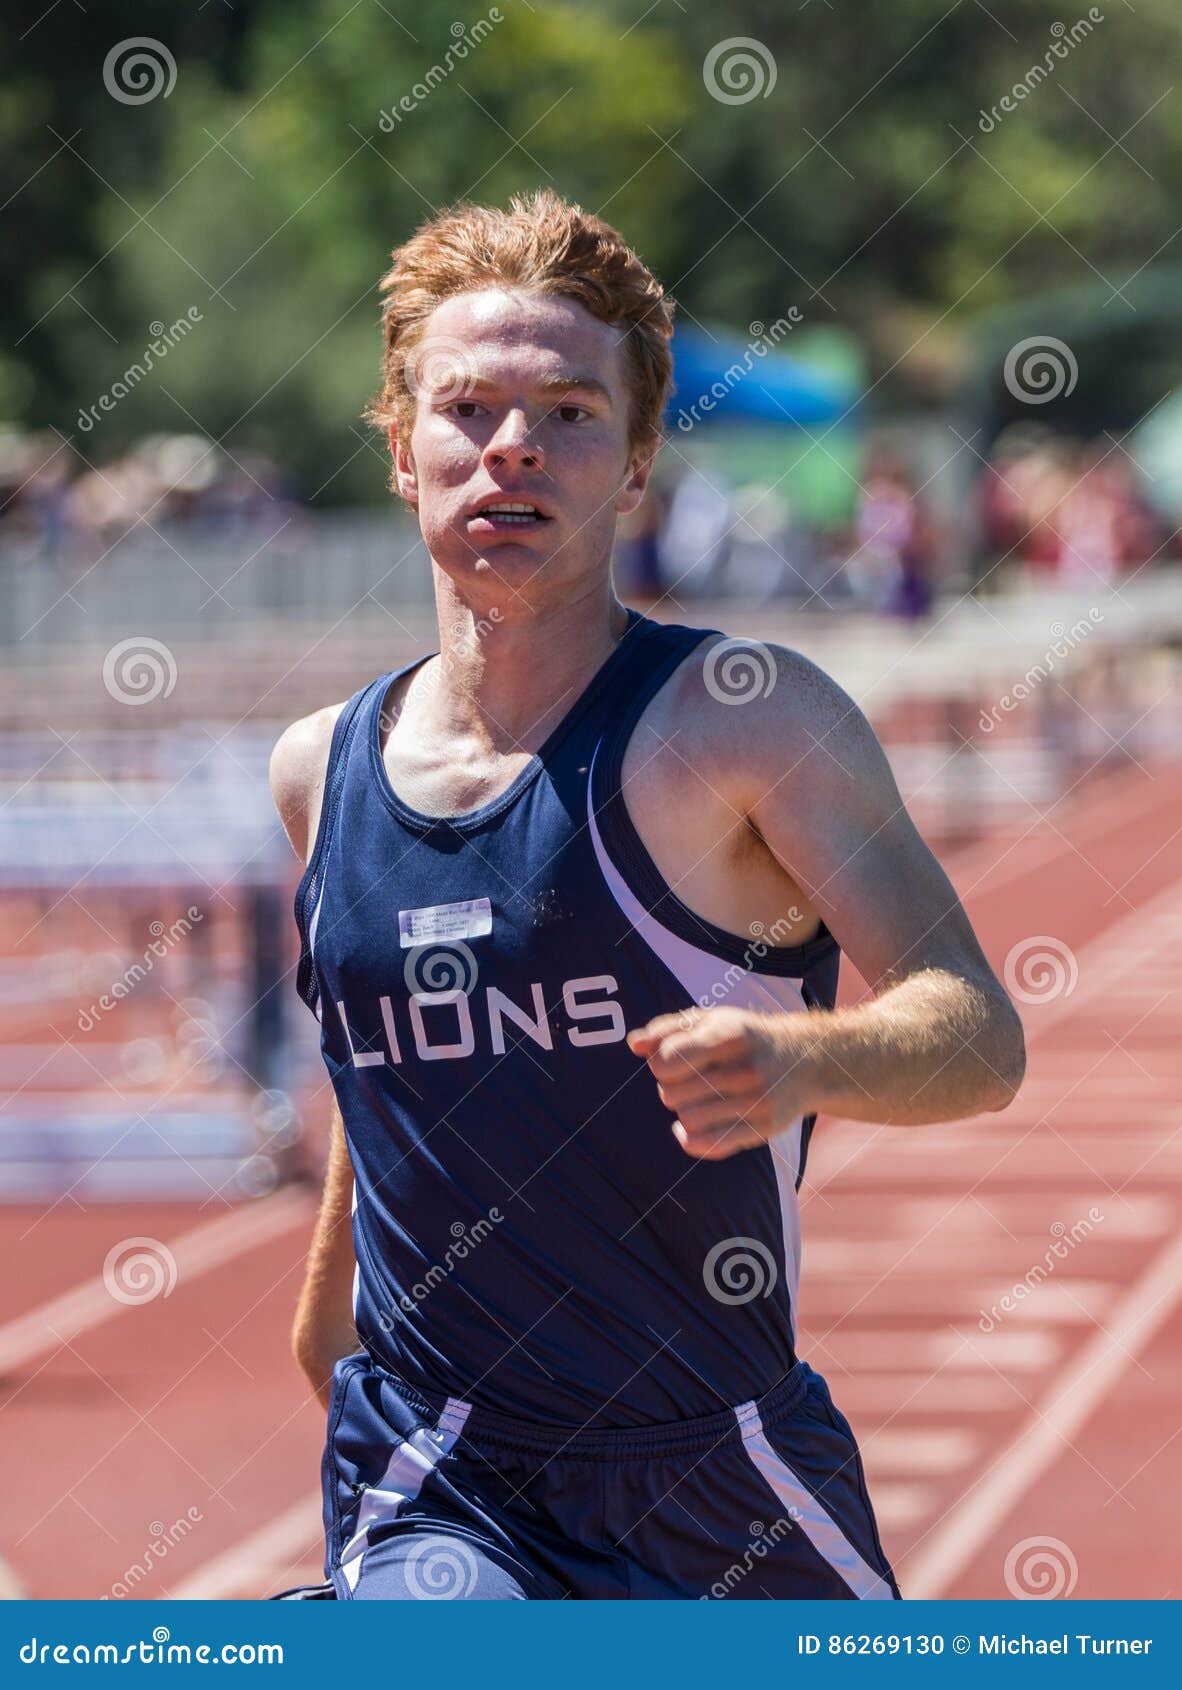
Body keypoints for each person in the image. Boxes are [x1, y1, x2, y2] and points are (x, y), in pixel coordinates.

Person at [269, 189, 1025, 1602]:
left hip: (716, 1468)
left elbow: (977, 1034)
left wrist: (800, 1057)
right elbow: (385, 1069)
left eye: (566, 410)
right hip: (443, 1467)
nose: (512, 448)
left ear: (633, 459)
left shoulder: (742, 720)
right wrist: (331, 1328)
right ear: (397, 440)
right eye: (468, 408)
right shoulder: (319, 770)